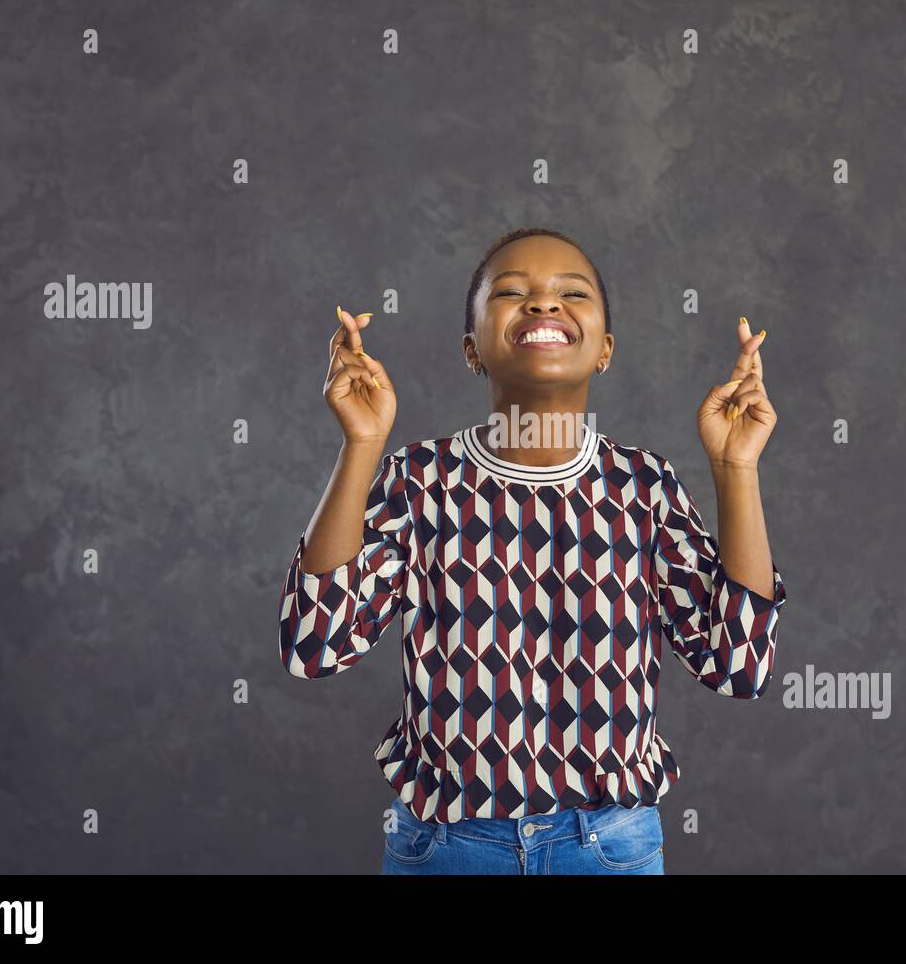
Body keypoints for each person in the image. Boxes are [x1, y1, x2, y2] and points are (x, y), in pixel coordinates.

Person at [278, 228, 786, 874]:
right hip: (447, 848)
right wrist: (361, 446)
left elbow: (739, 664)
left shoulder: (644, 487)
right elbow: (312, 647)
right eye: (513, 293)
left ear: (604, 350)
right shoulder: (418, 481)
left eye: (572, 293)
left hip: (609, 850)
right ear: (472, 350)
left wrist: (736, 469)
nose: (545, 305)